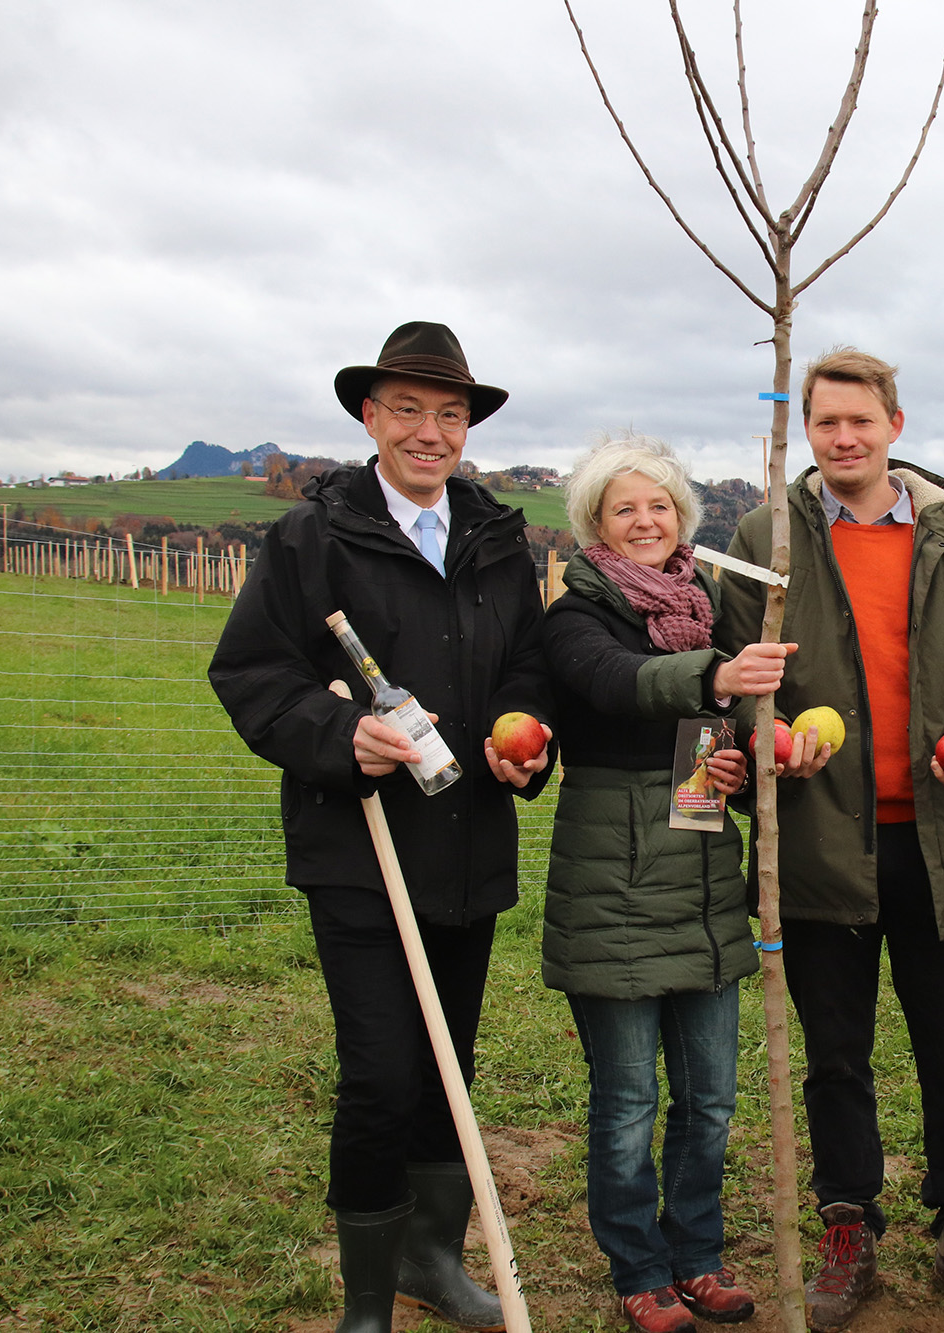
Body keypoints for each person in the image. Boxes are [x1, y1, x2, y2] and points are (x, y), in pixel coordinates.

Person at [210, 321, 553, 1333]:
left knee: (450, 1069)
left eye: (448, 413)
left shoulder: (498, 541)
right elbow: (252, 673)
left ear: (467, 427)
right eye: (407, 409)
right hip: (360, 849)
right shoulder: (312, 538)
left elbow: (528, 672)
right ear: (369, 415)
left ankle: (431, 1263)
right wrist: (338, 734)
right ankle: (367, 1300)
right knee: (379, 1073)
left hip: (468, 843)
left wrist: (521, 740)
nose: (428, 431)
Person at [716, 348, 944, 1332]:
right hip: (818, 840)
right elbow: (731, 673)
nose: (843, 438)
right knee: (835, 1054)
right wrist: (766, 736)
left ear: (895, 426)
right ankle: (848, 1221)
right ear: (806, 429)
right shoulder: (766, 535)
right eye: (825, 422)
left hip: (943, 840)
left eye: (860, 421)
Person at [540, 433, 797, 1333]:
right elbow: (619, 684)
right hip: (613, 879)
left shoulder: (702, 605)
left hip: (700, 878)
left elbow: (708, 738)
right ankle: (638, 1268)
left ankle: (696, 1256)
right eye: (625, 508)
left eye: (659, 505)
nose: (645, 520)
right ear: (596, 525)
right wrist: (717, 675)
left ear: (681, 517)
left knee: (711, 1097)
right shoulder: (576, 615)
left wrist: (729, 761)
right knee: (627, 1102)